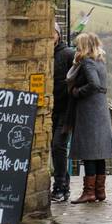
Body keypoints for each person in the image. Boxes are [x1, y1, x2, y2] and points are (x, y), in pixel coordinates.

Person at [67, 32, 112, 204]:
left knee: (89, 152)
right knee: (99, 153)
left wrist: (77, 92)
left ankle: (89, 193)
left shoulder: (88, 62)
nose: (76, 48)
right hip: (100, 110)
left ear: (84, 46)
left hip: (89, 111)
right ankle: (99, 191)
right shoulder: (100, 61)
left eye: (78, 45)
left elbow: (94, 84)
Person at [50, 22, 76, 203]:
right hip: (48, 110)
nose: (50, 36)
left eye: (53, 33)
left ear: (59, 35)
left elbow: (80, 78)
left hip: (65, 111)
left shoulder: (68, 54)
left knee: (58, 146)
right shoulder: (42, 54)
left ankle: (59, 186)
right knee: (54, 148)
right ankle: (63, 186)